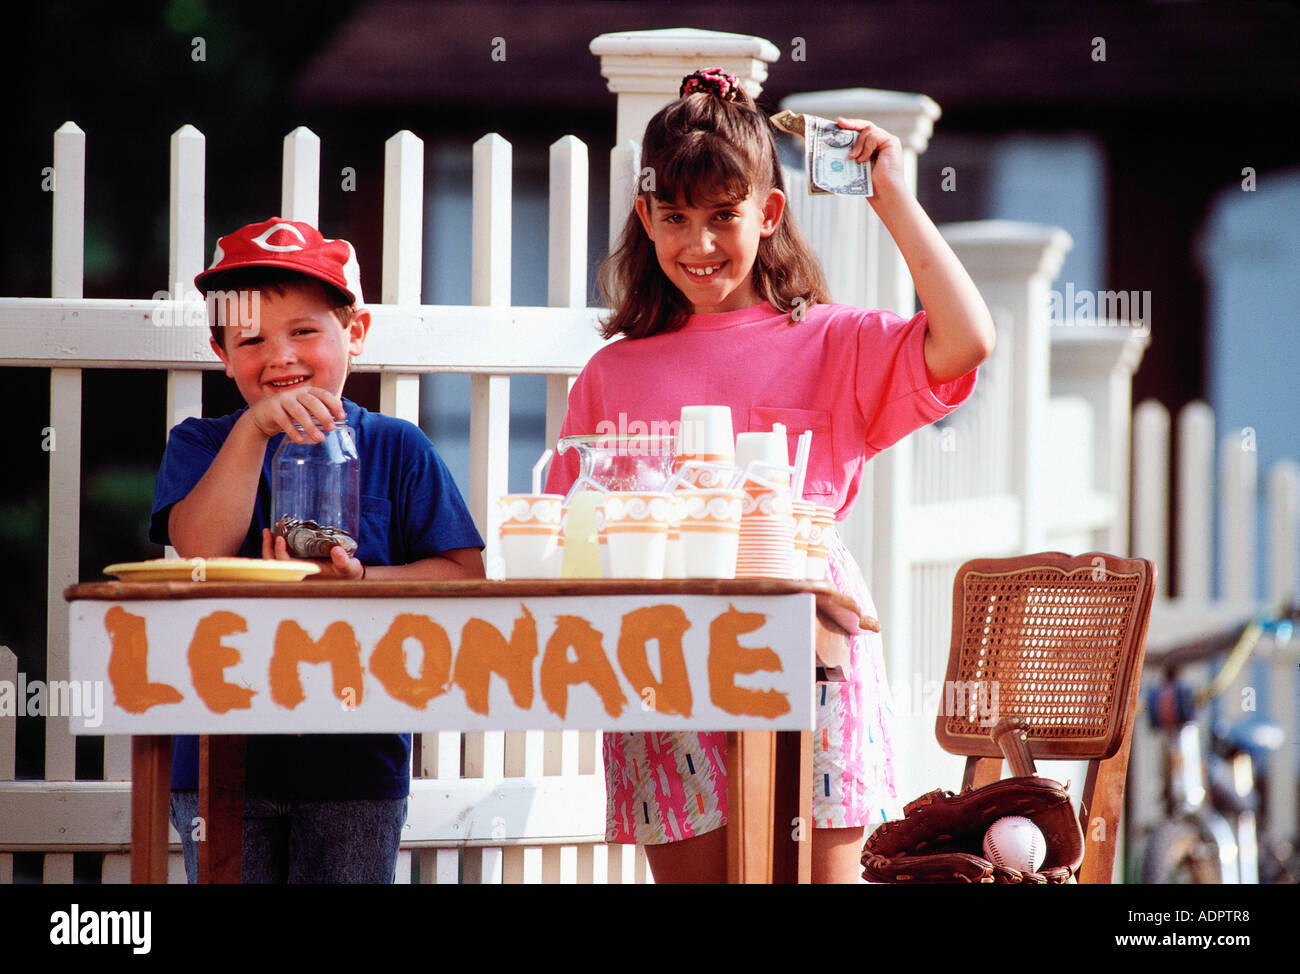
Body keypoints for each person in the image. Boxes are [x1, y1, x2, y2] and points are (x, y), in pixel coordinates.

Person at [545, 68, 995, 883]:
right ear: (645, 217)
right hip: (660, 655)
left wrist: (890, 194)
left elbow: (967, 338)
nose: (700, 243)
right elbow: (574, 540)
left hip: (812, 645)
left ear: (769, 213)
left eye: (725, 215)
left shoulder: (835, 341)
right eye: (675, 217)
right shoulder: (611, 375)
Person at [151, 217, 485, 883]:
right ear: (221, 354)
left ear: (354, 334)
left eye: (305, 330)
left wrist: (361, 583)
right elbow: (198, 544)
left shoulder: (397, 446)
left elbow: (464, 575)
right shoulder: (201, 443)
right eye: (252, 339)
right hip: (220, 746)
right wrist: (250, 433)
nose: (282, 356)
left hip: (357, 756)